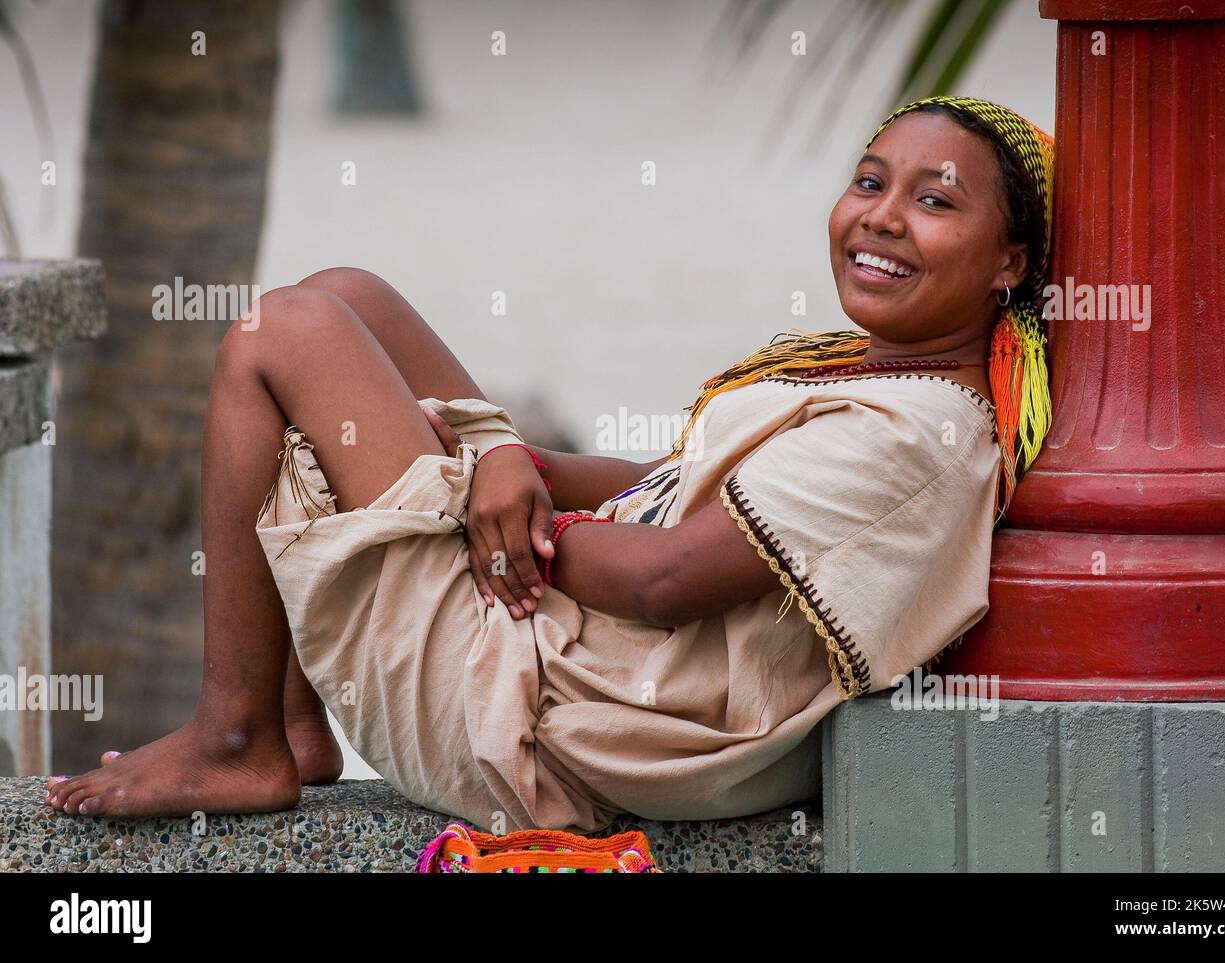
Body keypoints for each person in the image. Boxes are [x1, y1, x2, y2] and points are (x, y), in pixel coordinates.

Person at [46, 96, 1055, 832]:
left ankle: (234, 735)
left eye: (934, 202)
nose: (880, 216)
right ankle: (288, 725)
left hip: (549, 713)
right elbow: (661, 490)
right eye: (869, 181)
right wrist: (517, 460)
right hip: (575, 649)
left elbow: (663, 579)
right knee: (355, 293)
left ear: (1009, 263)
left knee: (282, 333)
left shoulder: (913, 437)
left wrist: (510, 515)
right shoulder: (869, 383)